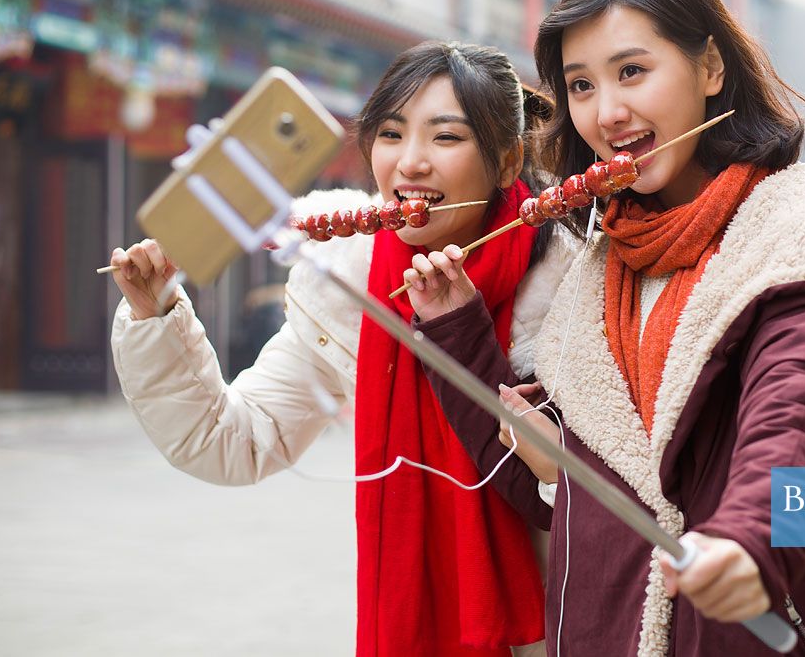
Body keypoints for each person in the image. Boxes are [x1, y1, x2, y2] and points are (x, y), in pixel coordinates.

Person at [403, 0, 805, 656]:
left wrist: (751, 536)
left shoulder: (801, 227)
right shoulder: (597, 269)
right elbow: (547, 490)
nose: (607, 112)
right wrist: (455, 329)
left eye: (632, 71)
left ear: (710, 68)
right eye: (580, 85)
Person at [108, 42, 574, 657]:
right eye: (390, 133)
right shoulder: (345, 281)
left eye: (446, 138)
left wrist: (461, 332)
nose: (410, 163)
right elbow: (234, 441)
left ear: (508, 160)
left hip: (556, 627)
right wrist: (155, 313)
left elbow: (570, 491)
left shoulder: (571, 286)